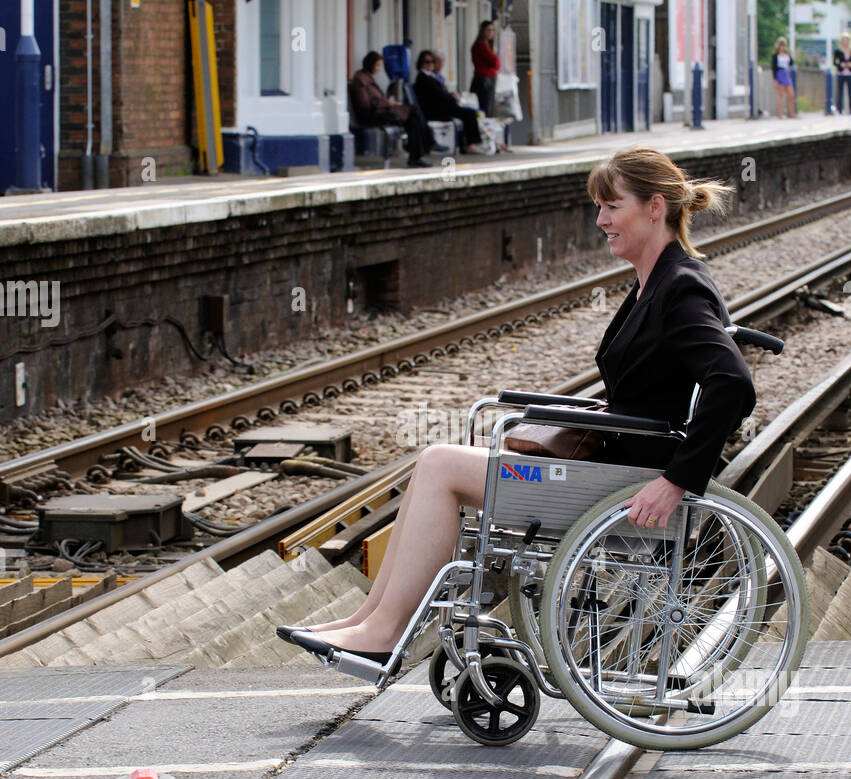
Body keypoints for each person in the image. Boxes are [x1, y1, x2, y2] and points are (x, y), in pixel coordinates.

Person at [278, 148, 756, 671]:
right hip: (610, 469)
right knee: (434, 462)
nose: (601, 220)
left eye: (611, 206)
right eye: (599, 207)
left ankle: (384, 632)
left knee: (440, 465)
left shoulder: (681, 287)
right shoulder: (653, 282)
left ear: (655, 208)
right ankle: (367, 622)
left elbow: (731, 384)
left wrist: (677, 480)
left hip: (625, 482)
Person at [349, 50, 436, 168]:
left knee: (414, 114)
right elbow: (365, 104)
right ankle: (423, 149)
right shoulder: (361, 79)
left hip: (380, 111)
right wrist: (387, 103)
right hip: (373, 115)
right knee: (413, 115)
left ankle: (422, 150)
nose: (379, 69)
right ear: (371, 64)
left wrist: (387, 103)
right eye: (378, 65)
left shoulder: (367, 78)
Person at [413, 49, 485, 153]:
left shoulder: (430, 77)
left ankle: (472, 142)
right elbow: (438, 95)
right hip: (436, 109)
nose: (431, 64)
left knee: (470, 112)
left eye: (433, 61)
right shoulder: (423, 78)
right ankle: (471, 143)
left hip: (442, 105)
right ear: (421, 63)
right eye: (427, 62)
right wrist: (452, 98)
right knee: (469, 114)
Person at [470, 20, 501, 118]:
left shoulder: (486, 45)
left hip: (485, 78)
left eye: (492, 30)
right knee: (486, 107)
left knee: (487, 107)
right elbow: (495, 63)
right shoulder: (481, 45)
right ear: (482, 31)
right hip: (485, 79)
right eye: (488, 30)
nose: (491, 33)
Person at [833, 33, 851, 116]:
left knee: (850, 93)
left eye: (846, 40)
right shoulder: (838, 51)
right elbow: (834, 62)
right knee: (840, 92)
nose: (845, 42)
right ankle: (839, 111)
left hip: (850, 73)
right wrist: (840, 65)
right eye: (844, 40)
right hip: (841, 73)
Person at [771, 37, 796, 119]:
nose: (783, 47)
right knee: (780, 94)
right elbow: (773, 68)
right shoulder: (776, 56)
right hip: (780, 73)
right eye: (781, 45)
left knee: (791, 94)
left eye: (784, 45)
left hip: (786, 73)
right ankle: (780, 114)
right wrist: (775, 79)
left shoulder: (787, 54)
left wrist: (789, 55)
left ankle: (792, 113)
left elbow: (791, 63)